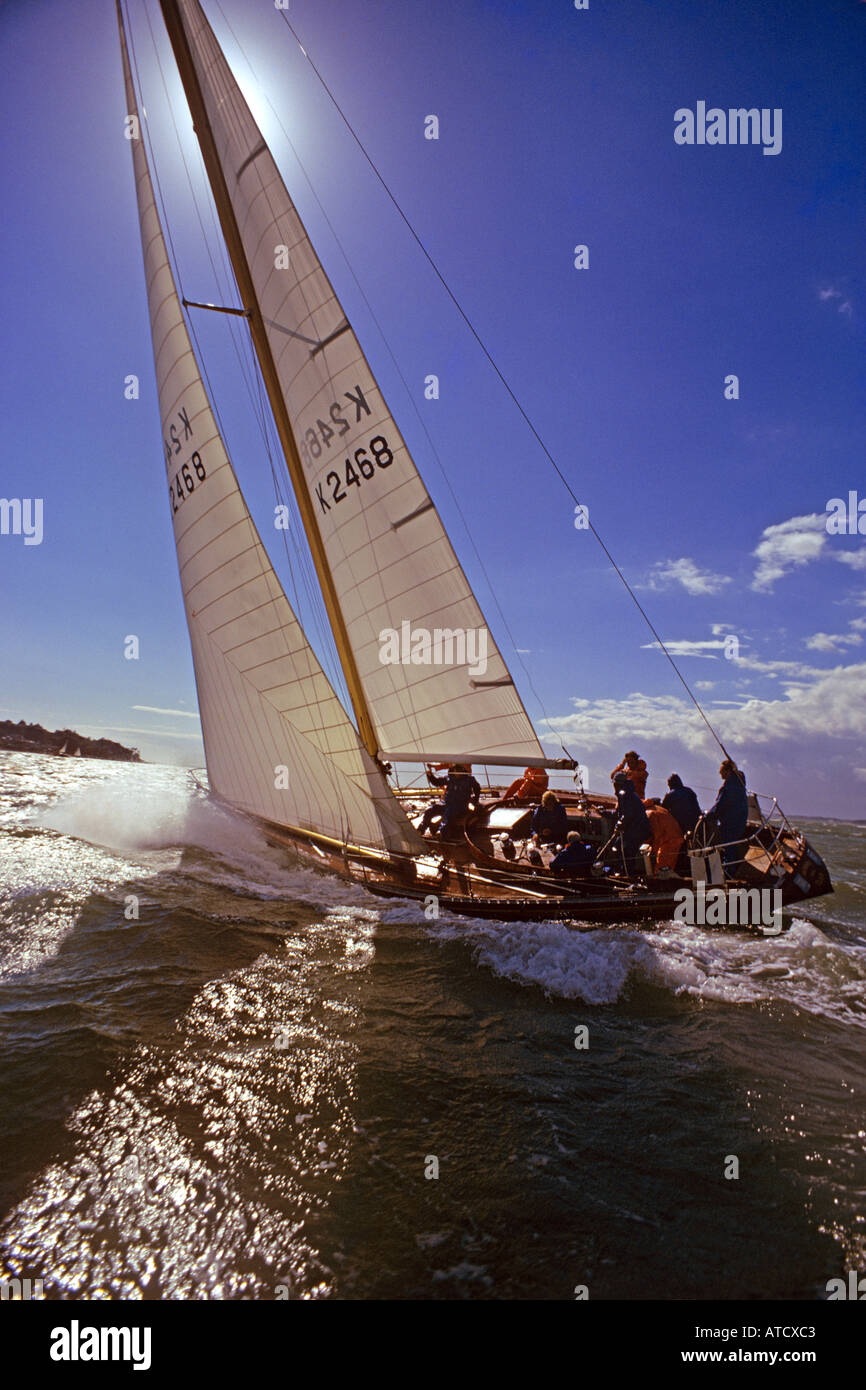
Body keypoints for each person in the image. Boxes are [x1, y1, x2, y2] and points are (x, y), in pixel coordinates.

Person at [706, 759, 748, 874]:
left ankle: (730, 873)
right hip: (740, 819)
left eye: (721, 770)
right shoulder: (739, 783)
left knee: (729, 846)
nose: (719, 773)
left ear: (728, 771)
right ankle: (730, 869)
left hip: (731, 822)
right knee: (731, 846)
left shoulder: (729, 787)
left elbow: (720, 805)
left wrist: (707, 816)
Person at [419, 763, 481, 838]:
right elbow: (437, 782)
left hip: (460, 805)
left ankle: (442, 833)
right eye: (455, 771)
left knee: (448, 814)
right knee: (430, 810)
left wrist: (475, 800)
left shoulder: (469, 779)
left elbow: (477, 788)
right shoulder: (449, 778)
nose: (457, 773)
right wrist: (430, 776)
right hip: (446, 804)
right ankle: (421, 829)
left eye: (458, 771)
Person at [612, 771, 652, 875]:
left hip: (637, 830)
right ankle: (622, 871)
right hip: (632, 829)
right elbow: (619, 813)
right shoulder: (626, 794)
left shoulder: (626, 794)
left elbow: (628, 815)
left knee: (627, 851)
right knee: (618, 846)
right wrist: (602, 812)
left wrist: (618, 826)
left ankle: (627, 874)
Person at [643, 799, 684, 873]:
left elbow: (657, 836)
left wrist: (653, 852)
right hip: (672, 837)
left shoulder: (649, 814)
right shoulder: (655, 808)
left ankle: (661, 882)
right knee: (663, 868)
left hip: (671, 840)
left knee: (661, 871)